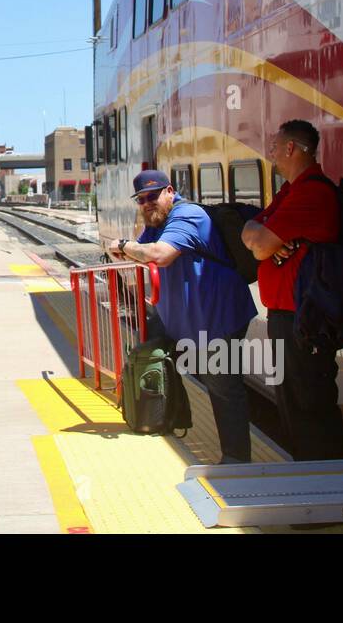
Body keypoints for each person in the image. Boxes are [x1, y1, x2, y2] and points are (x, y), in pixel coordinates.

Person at [107, 169, 256, 464]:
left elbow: (159, 254)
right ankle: (165, 421)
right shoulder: (158, 222)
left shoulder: (187, 216)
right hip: (186, 321)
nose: (147, 203)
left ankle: (236, 460)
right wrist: (132, 248)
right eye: (141, 200)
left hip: (218, 319)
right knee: (154, 359)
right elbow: (144, 248)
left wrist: (125, 246)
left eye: (153, 196)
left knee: (223, 387)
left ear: (170, 191)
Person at [241, 119, 343, 460]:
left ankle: (326, 489)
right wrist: (261, 232)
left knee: (308, 407)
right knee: (293, 405)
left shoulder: (310, 193)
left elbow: (257, 246)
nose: (270, 154)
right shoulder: (288, 191)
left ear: (290, 149)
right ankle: (312, 482)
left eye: (274, 148)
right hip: (287, 317)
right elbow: (251, 230)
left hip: (305, 320)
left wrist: (263, 236)